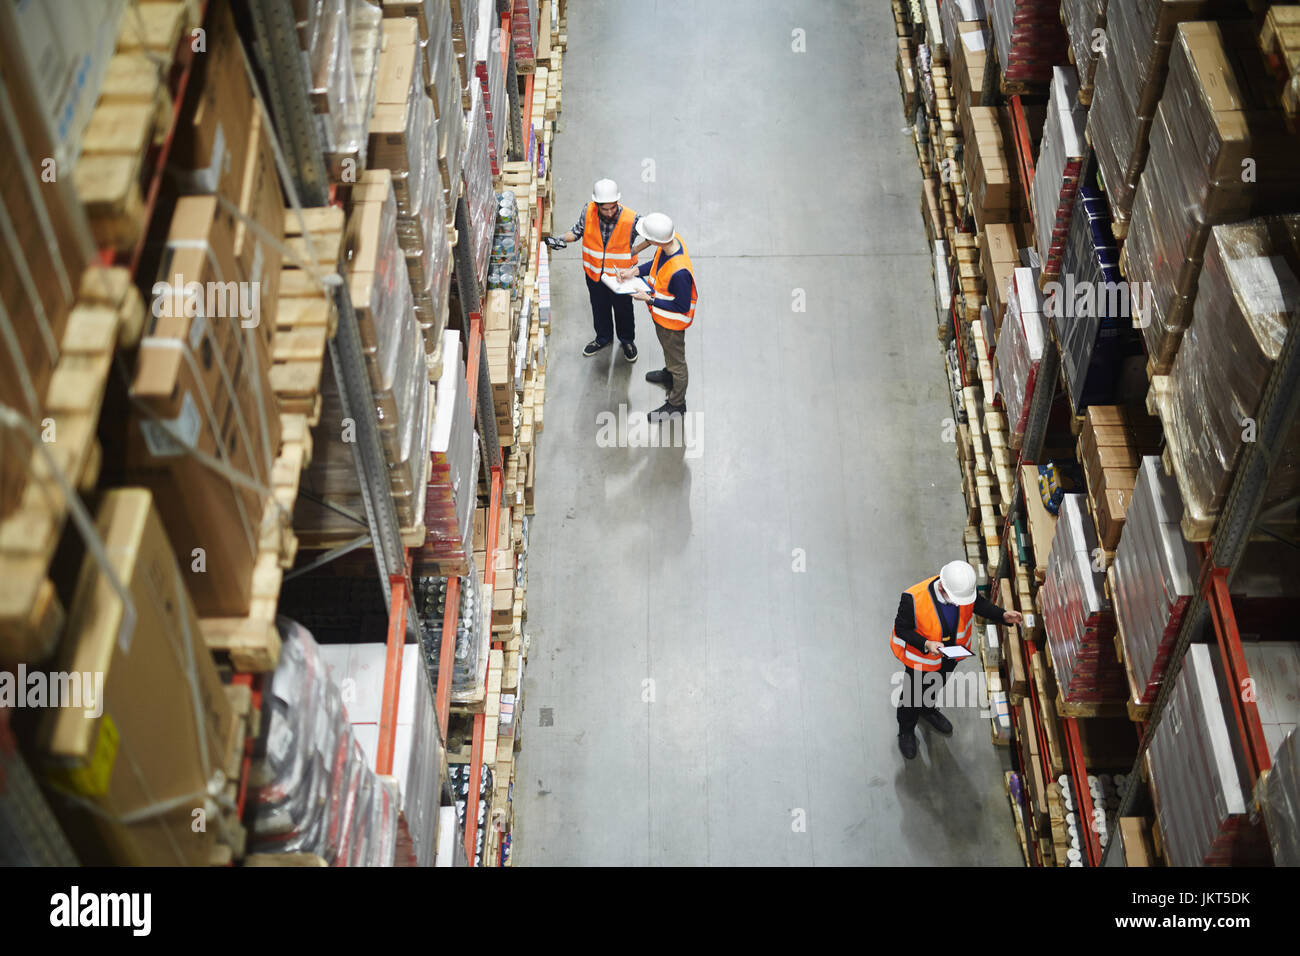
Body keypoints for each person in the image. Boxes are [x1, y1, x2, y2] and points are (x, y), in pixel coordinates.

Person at [891, 560, 1023, 760]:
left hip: (950, 656)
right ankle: (906, 731)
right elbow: (902, 629)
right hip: (922, 659)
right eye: (955, 600)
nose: (959, 604)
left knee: (934, 686)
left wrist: (1003, 615)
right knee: (912, 697)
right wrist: (926, 644)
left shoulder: (961, 591)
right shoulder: (913, 598)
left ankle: (927, 710)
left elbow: (978, 604)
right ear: (942, 586)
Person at [545, 179, 649, 360]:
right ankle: (603, 338)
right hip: (594, 274)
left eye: (613, 208)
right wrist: (560, 239)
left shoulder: (632, 219)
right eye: (604, 209)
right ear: (597, 204)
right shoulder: (588, 211)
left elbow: (653, 234)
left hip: (620, 277)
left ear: (617, 202)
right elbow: (576, 232)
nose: (609, 213)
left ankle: (627, 341)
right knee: (599, 308)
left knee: (623, 309)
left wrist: (635, 250)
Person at [615, 213, 697, 419]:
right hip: (662, 319)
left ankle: (677, 404)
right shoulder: (671, 241)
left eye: (648, 238)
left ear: (657, 240)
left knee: (677, 362)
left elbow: (681, 306)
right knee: (670, 355)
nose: (646, 241)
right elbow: (655, 264)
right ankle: (668, 375)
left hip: (672, 324)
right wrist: (634, 272)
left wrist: (648, 299)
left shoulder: (679, 272)